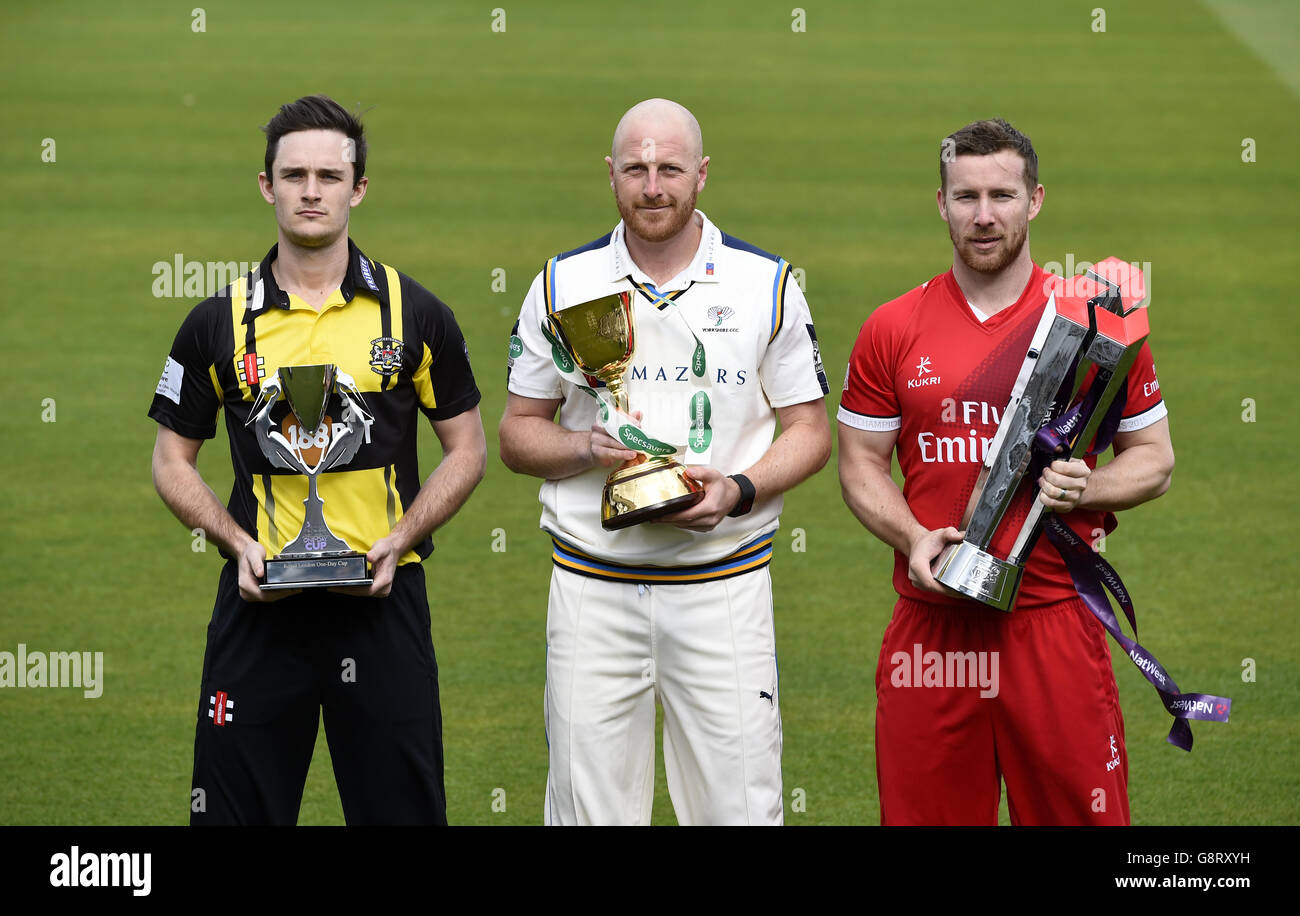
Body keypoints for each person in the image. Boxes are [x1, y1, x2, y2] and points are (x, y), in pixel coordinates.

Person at [148, 95, 486, 825]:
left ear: (357, 187)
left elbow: (469, 449)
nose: (311, 191)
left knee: (402, 813)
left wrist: (402, 538)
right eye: (293, 174)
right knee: (233, 814)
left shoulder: (417, 314)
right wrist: (236, 543)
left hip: (384, 599)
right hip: (258, 604)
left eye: (329, 177)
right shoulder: (216, 322)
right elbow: (171, 460)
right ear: (267, 184)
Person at [499, 98, 831, 826]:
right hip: (593, 589)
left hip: (723, 588)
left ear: (702, 174)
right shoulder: (563, 284)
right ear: (611, 175)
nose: (654, 186)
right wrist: (585, 447)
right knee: (589, 814)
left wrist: (740, 489)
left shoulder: (766, 284)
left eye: (670, 168)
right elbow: (518, 434)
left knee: (739, 812)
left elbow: (810, 428)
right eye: (637, 168)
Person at [837, 118, 1174, 825]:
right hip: (933, 628)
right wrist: (911, 537)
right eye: (966, 197)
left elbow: (1155, 462)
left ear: (1035, 200)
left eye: (1001, 194)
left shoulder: (1094, 327)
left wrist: (1092, 485)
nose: (983, 216)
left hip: (1051, 623)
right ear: (941, 203)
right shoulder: (892, 327)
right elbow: (859, 465)